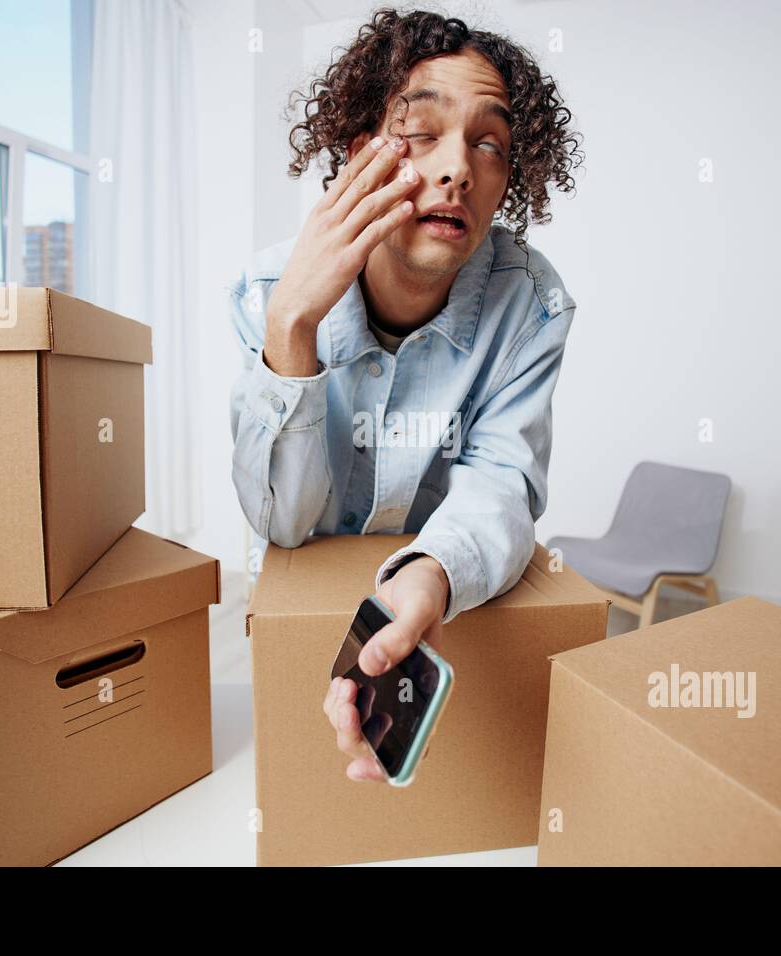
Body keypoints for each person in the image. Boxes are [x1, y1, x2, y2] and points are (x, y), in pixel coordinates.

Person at [228, 8, 584, 782]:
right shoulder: (266, 290)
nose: (459, 166)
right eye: (422, 134)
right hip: (296, 604)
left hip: (440, 604)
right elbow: (280, 524)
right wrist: (291, 329)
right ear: (362, 156)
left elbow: (503, 481)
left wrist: (426, 577)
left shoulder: (534, 305)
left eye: (489, 143)